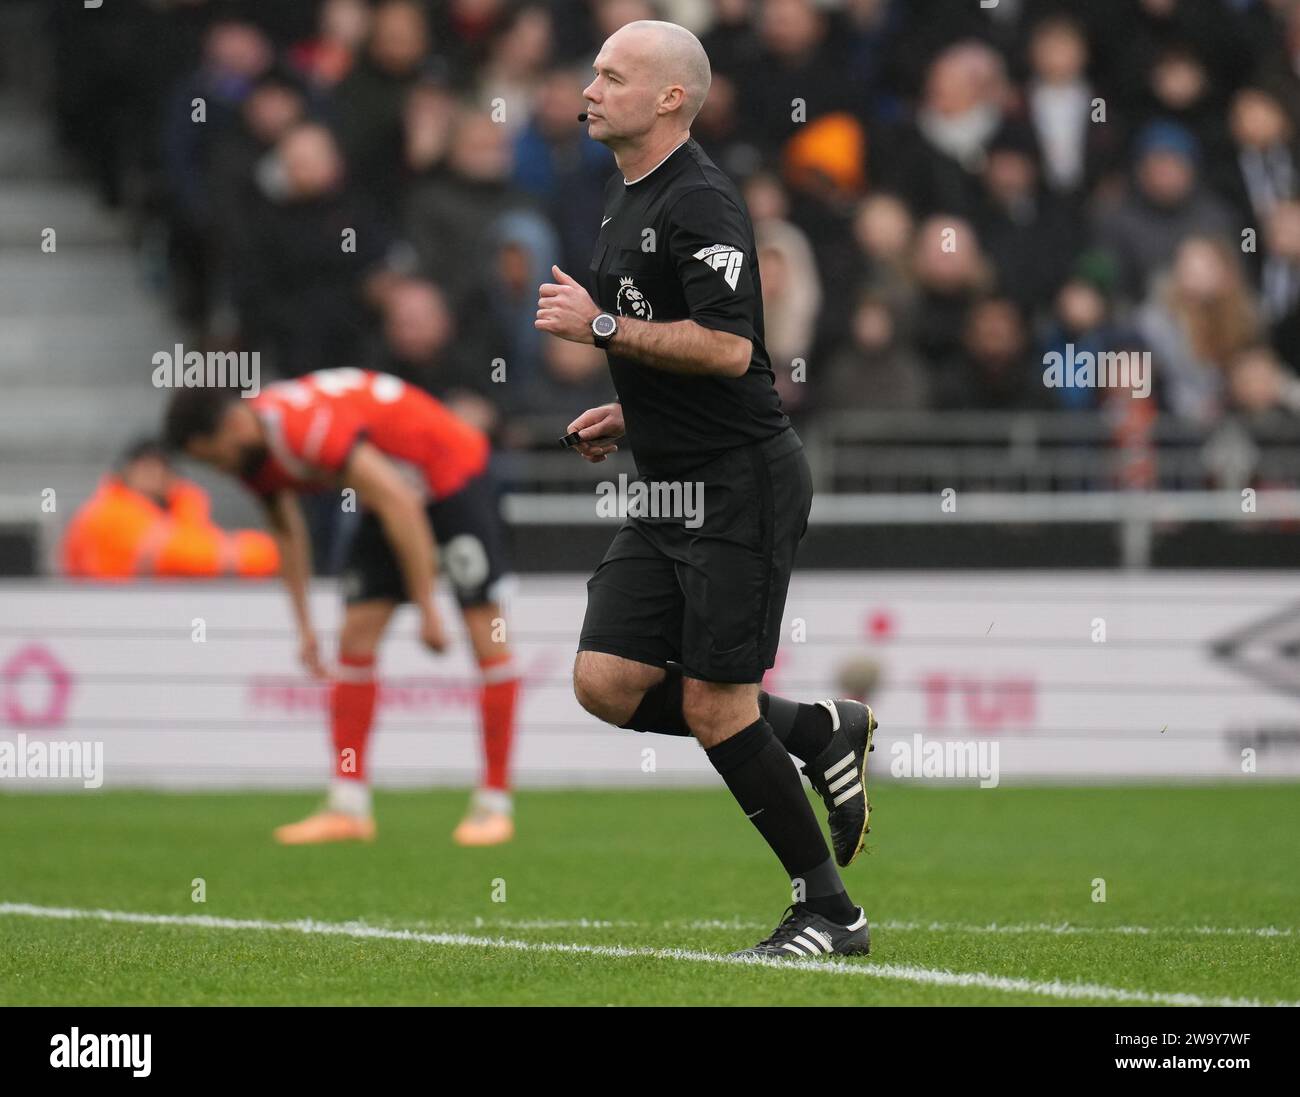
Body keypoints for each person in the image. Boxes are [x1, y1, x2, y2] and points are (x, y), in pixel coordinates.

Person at [537, 19, 877, 960]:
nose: (590, 87)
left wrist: (600, 327)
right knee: (606, 682)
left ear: (670, 98)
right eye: (593, 71)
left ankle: (830, 911)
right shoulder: (626, 193)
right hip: (670, 483)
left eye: (612, 75)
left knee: (715, 705)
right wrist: (630, 413)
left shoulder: (700, 201)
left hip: (739, 487)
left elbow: (729, 349)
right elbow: (681, 348)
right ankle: (815, 727)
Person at [163, 369, 519, 848]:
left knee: (485, 631)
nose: (221, 470)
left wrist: (429, 609)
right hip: (393, 495)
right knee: (354, 637)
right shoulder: (253, 452)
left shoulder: (301, 428)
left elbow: (400, 503)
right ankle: (348, 806)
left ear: (231, 426)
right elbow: (287, 531)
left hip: (449, 472)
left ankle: (494, 805)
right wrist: (304, 627)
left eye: (216, 458)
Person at [62, 438, 279, 580]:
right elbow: (187, 556)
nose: (153, 477)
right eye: (145, 468)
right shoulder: (110, 514)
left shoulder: (175, 514)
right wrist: (273, 553)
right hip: (116, 621)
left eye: (161, 469)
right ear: (125, 473)